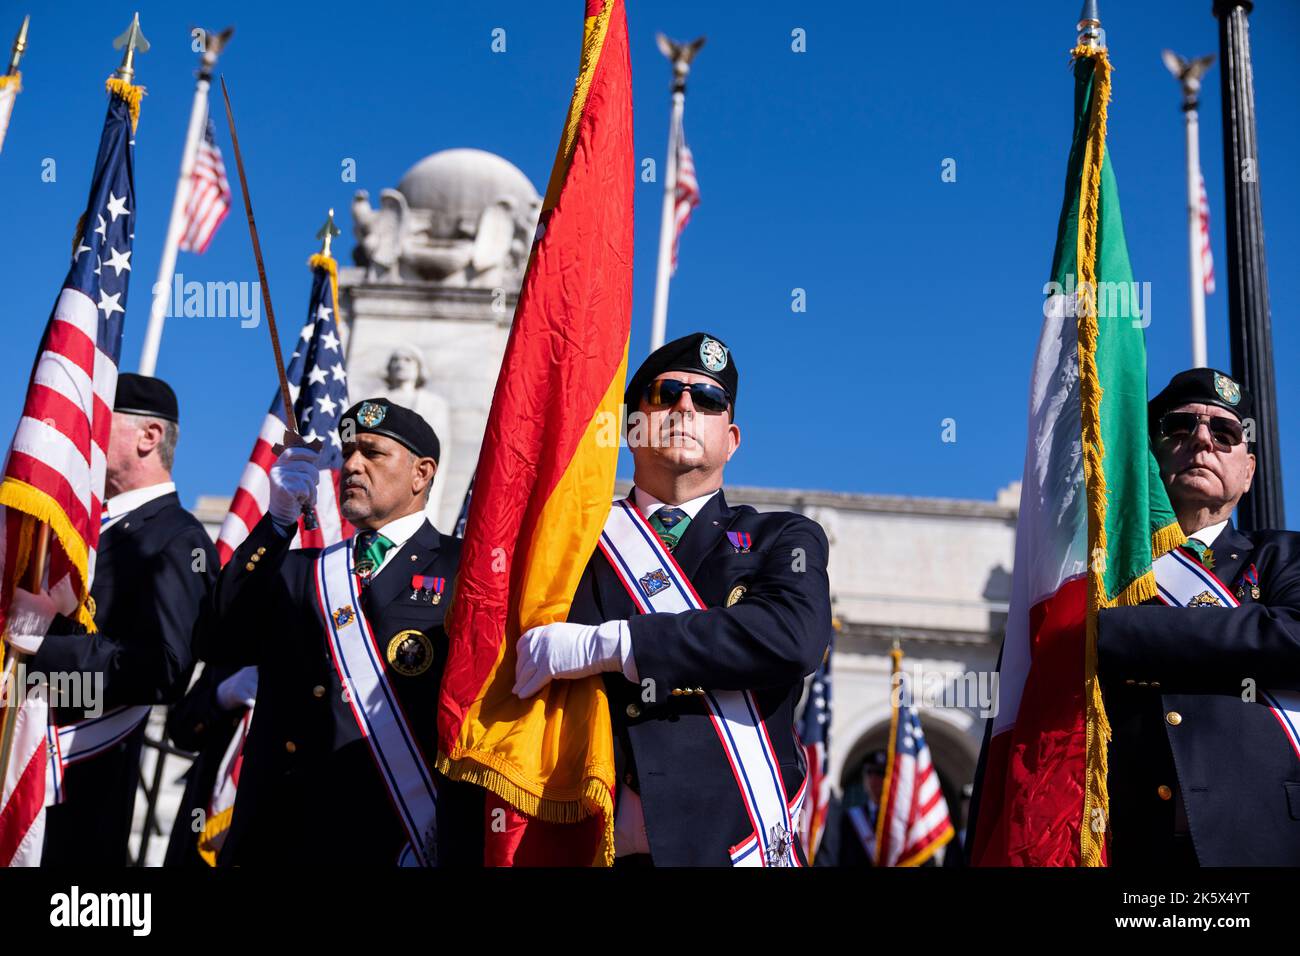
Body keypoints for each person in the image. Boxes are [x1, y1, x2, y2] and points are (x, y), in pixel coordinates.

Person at [512, 332, 833, 866]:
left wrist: (611, 644)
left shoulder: (782, 538)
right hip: (591, 845)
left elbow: (792, 640)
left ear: (730, 438)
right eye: (665, 393)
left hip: (730, 848)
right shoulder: (571, 545)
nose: (685, 405)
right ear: (631, 427)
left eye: (707, 400)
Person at [197, 398, 481, 865]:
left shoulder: (464, 569)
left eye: (372, 453)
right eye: (348, 451)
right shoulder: (295, 569)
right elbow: (218, 638)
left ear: (421, 472)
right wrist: (277, 523)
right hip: (281, 839)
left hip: (394, 836)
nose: (351, 465)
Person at [6, 374, 217, 865]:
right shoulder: (78, 527)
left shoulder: (177, 539)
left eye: (99, 423)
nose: (84, 437)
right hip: (21, 754)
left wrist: (41, 646)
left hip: (80, 784)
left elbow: (162, 670)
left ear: (150, 436)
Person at [1099, 368, 1300, 866]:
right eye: (1181, 427)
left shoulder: (1281, 557)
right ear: (1150, 455)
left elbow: (1293, 637)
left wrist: (1115, 632)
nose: (1203, 439)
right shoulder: (1104, 570)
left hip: (1262, 843)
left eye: (1226, 433)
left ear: (1248, 470)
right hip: (1124, 843)